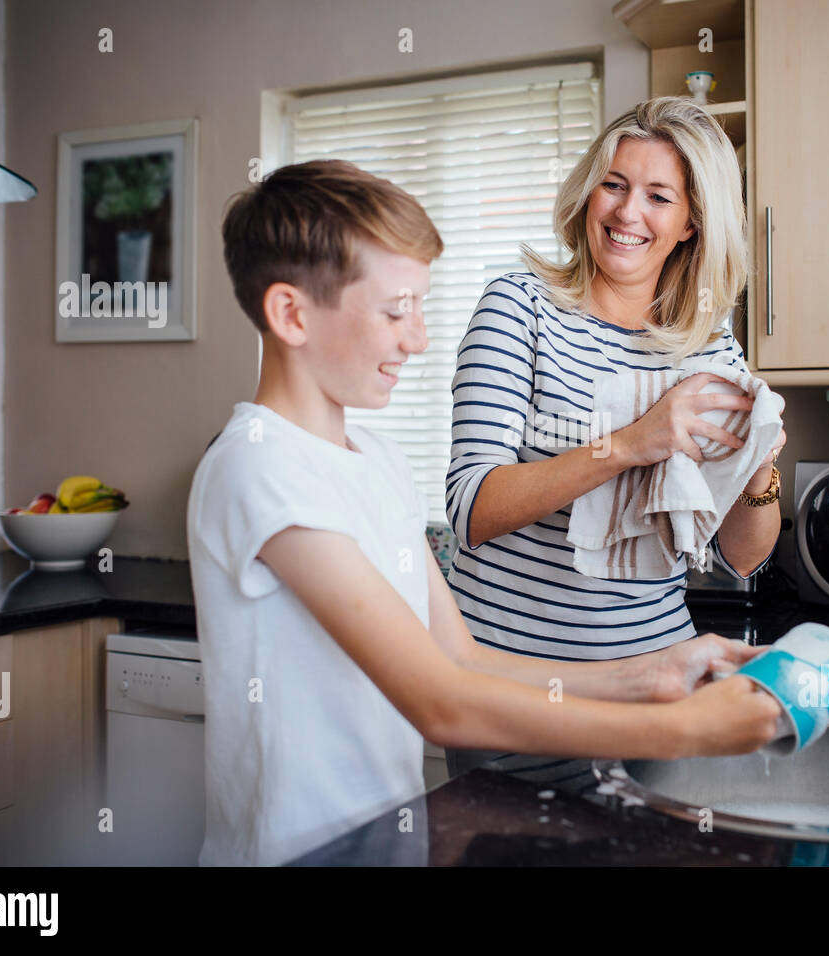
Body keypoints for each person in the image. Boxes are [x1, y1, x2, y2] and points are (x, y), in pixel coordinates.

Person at [186, 159, 782, 866]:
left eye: (420, 307)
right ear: (291, 313)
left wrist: (652, 677)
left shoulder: (374, 459)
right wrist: (684, 733)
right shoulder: (259, 465)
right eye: (395, 309)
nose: (419, 339)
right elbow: (441, 702)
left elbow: (459, 657)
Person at [444, 97, 787, 782]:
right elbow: (470, 509)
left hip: (659, 700)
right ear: (588, 191)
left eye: (659, 196)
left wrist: (759, 470)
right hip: (516, 702)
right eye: (614, 184)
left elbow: (741, 559)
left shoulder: (709, 343)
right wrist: (630, 443)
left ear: (692, 223)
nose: (628, 214)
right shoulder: (521, 307)